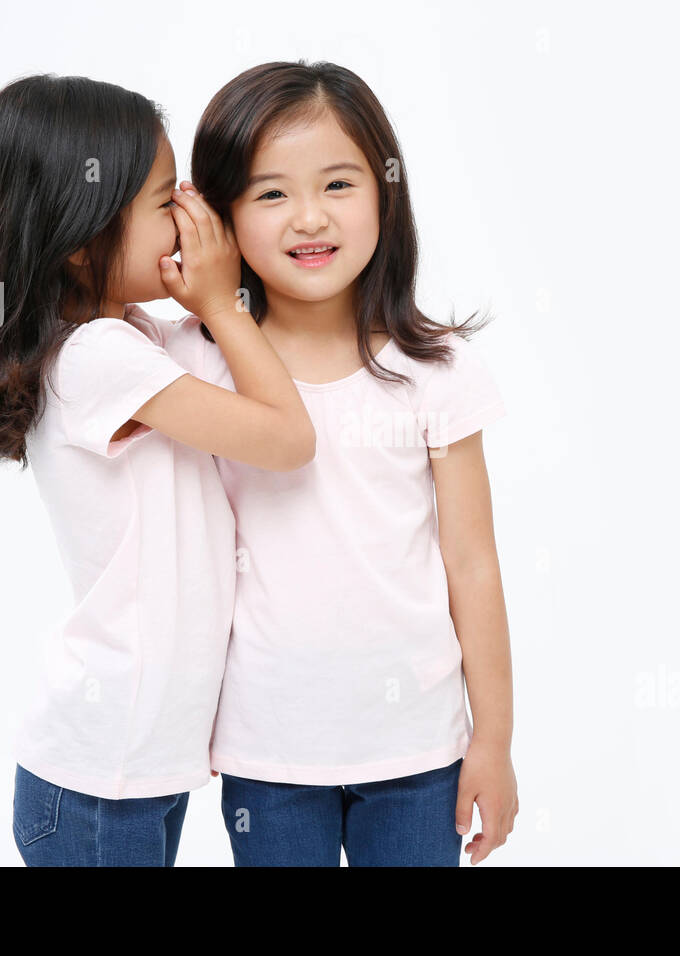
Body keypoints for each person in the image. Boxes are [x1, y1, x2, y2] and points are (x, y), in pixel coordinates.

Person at [0, 73, 314, 866]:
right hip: (100, 780)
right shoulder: (100, 357)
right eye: (166, 201)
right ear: (79, 239)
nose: (187, 220)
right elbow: (287, 439)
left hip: (130, 769)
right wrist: (222, 306)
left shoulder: (130, 335)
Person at [175, 60, 518, 866]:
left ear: (384, 194)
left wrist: (493, 741)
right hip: (267, 753)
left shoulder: (436, 371)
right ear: (221, 218)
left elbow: (473, 563)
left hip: (419, 754)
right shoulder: (198, 364)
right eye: (269, 193)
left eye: (338, 184)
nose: (308, 218)